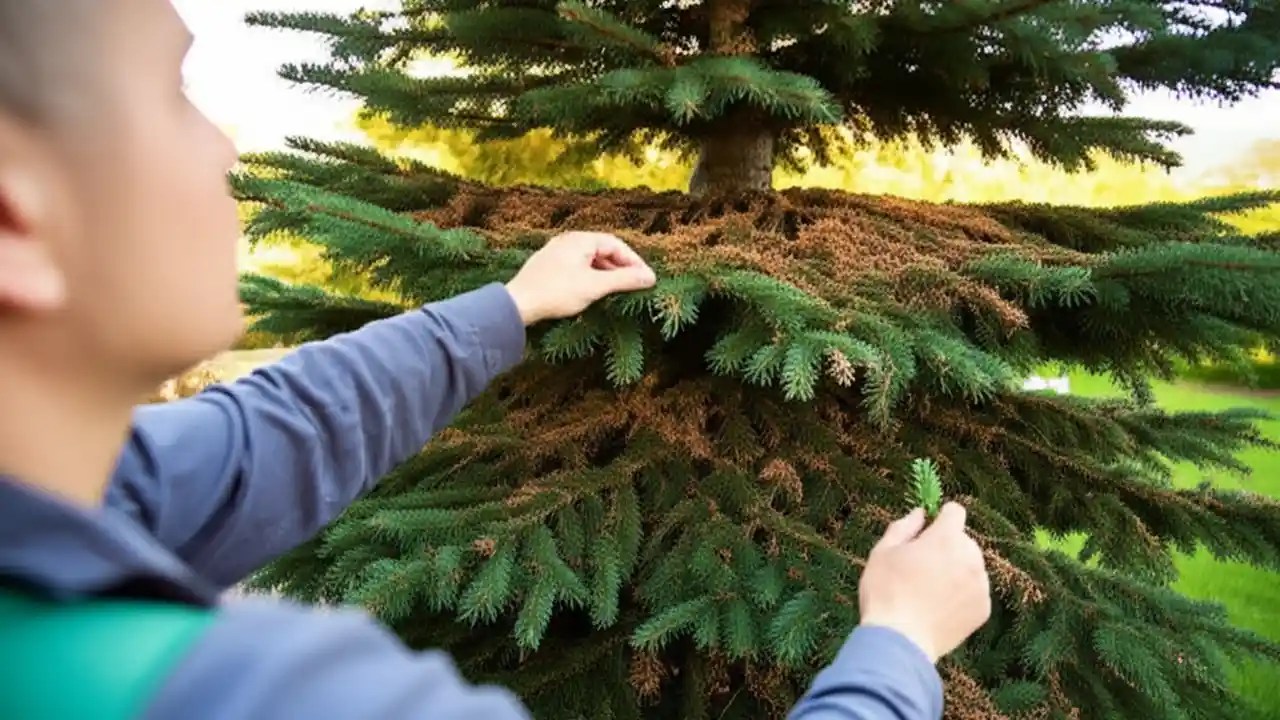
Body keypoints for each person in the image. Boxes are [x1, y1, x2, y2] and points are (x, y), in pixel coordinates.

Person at [0, 1, 992, 718]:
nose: (223, 149)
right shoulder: (265, 697)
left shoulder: (67, 503)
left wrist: (512, 305)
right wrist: (896, 645)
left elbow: (265, 436)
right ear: (16, 221)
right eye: (172, 92)